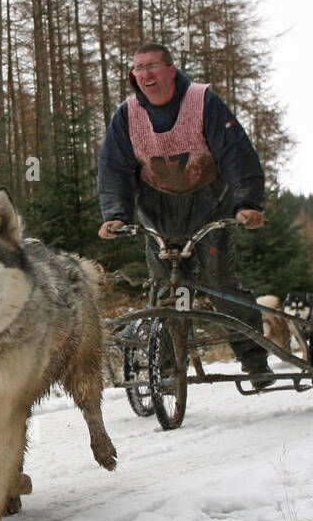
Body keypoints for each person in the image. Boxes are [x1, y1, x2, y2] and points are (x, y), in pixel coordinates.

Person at [97, 43, 273, 387]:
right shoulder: (127, 114)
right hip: (157, 210)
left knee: (218, 284)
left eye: (152, 66)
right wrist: (116, 213)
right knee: (165, 289)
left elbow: (237, 154)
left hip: (208, 206)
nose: (144, 74)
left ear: (170, 70)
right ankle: (165, 370)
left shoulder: (202, 101)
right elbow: (114, 167)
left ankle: (254, 361)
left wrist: (248, 203)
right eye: (138, 68)